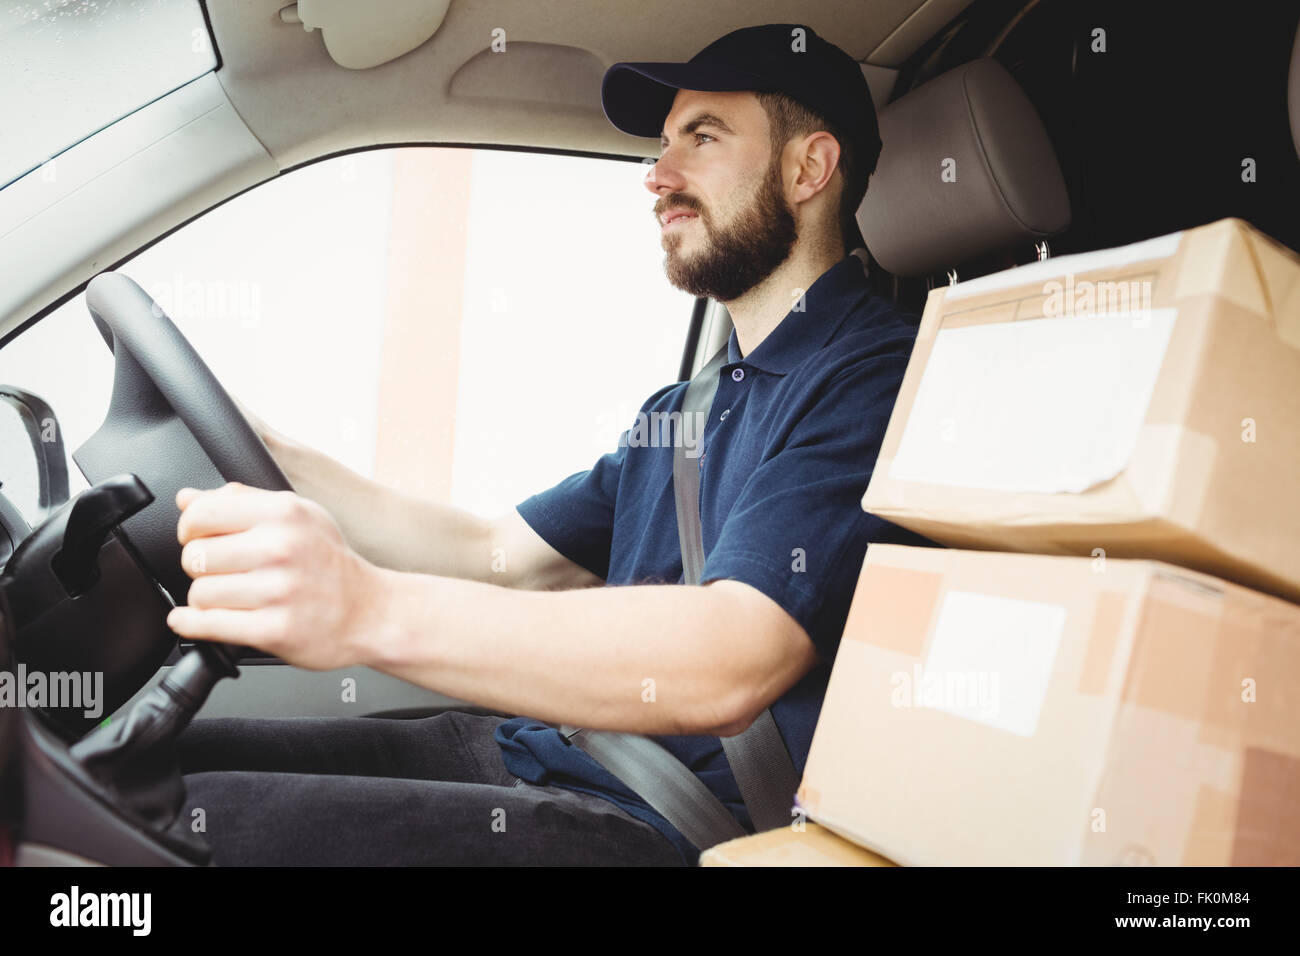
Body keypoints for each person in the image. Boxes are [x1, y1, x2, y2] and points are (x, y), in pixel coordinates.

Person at [172, 22, 927, 866]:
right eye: (663, 142)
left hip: (652, 821)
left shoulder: (877, 379)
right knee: (152, 775)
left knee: (182, 828)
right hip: (538, 756)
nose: (658, 175)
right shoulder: (687, 405)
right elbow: (497, 551)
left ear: (807, 169)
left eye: (702, 137)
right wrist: (260, 447)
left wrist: (364, 608)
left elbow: (734, 655)